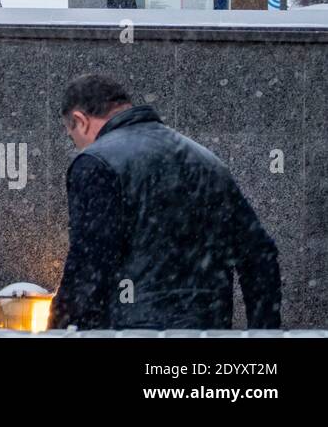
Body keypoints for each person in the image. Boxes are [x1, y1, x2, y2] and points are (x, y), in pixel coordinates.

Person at [49, 73, 282, 330]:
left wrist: (59, 329)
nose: (79, 146)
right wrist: (264, 330)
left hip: (129, 332)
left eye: (73, 137)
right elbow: (259, 254)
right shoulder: (206, 161)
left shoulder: (97, 162)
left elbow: (88, 266)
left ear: (80, 121)